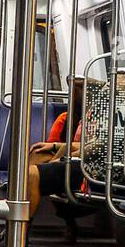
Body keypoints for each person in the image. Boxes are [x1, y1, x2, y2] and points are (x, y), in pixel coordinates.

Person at [27, 79, 84, 228]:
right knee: (37, 154)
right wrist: (53, 148)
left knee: (34, 173)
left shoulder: (97, 120)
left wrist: (58, 149)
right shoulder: (65, 119)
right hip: (65, 155)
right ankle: (21, 199)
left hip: (78, 161)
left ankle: (24, 222)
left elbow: (87, 147)